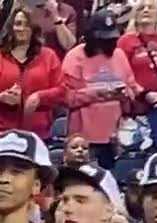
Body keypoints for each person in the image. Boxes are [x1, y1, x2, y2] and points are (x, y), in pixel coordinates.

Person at [61, 11, 138, 170]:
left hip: (113, 135)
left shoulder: (119, 55)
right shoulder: (75, 56)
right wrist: (97, 93)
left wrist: (125, 94)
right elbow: (66, 97)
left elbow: (132, 87)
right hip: (84, 137)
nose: (105, 43)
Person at [0, 7, 64, 140]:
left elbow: (62, 90)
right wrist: (0, 96)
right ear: (11, 27)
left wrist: (40, 97)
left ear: (34, 29)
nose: (21, 29)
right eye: (18, 24)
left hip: (38, 132)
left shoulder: (48, 56)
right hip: (0, 131)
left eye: (27, 25)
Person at [116, 0, 157, 148]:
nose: (146, 11)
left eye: (151, 8)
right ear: (135, 14)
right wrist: (145, 94)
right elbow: (122, 73)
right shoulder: (126, 41)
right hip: (138, 106)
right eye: (141, 8)